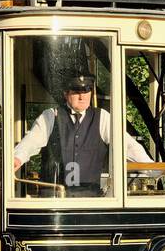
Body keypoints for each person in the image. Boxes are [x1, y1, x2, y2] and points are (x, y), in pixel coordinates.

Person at [11, 75, 152, 196]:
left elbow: (128, 146)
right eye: (76, 91)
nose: (82, 96)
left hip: (88, 201)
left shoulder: (102, 117)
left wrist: (155, 169)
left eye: (86, 91)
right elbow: (31, 142)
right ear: (65, 94)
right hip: (54, 199)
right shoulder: (51, 116)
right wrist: (16, 158)